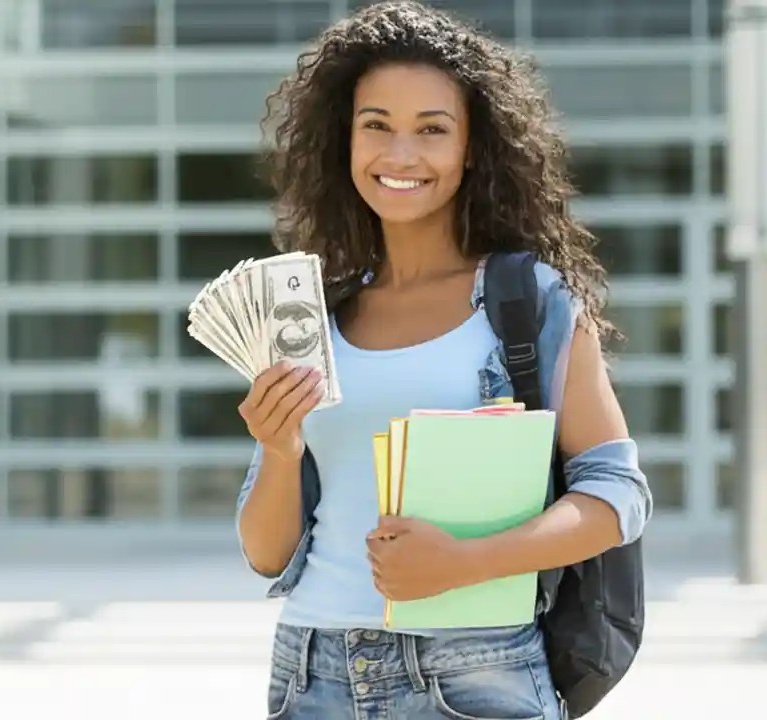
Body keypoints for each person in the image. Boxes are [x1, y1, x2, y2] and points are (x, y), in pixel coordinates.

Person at [233, 2, 653, 718]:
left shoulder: (527, 302)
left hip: (473, 672)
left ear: (471, 150)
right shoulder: (312, 313)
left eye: (432, 130)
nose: (401, 156)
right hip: (312, 670)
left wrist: (464, 562)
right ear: (344, 142)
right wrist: (278, 449)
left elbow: (619, 498)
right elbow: (265, 554)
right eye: (377, 127)